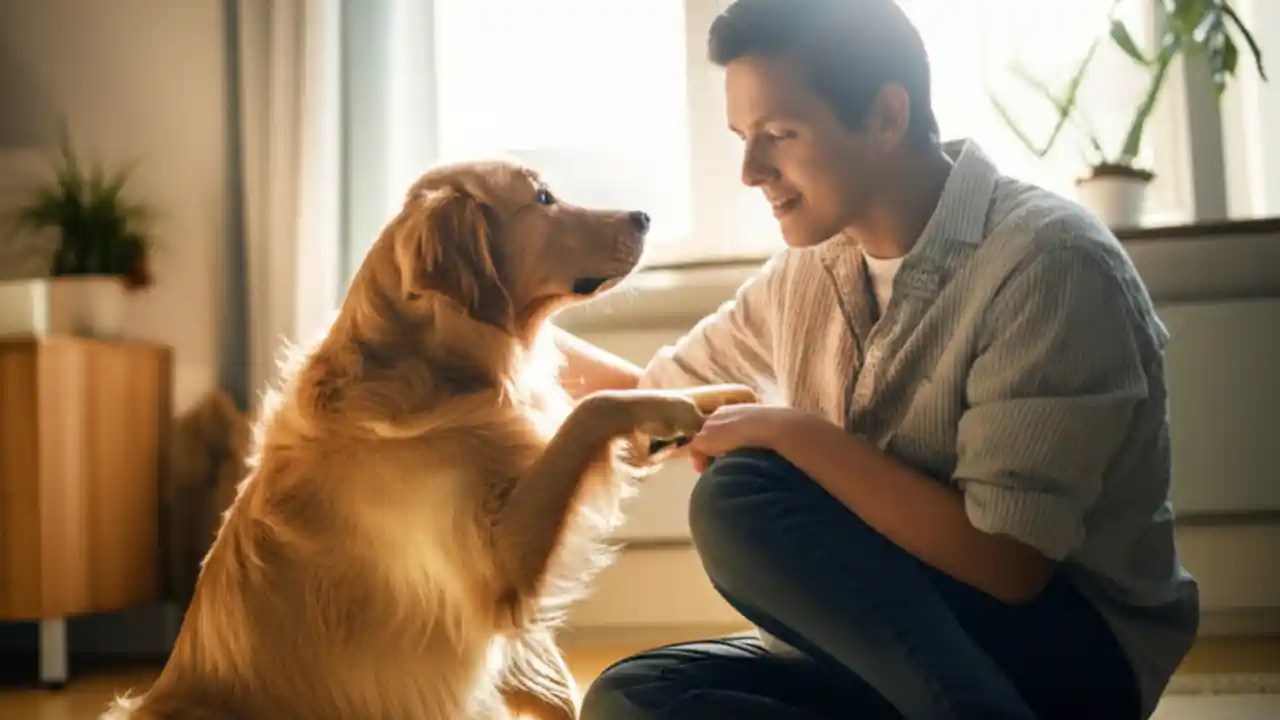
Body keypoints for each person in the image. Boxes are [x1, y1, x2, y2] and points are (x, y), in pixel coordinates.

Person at [554, 1, 1199, 717]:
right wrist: (483, 331)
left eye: (778, 134)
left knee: (739, 499)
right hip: (895, 658)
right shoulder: (809, 270)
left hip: (1062, 656)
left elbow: (1009, 565)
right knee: (633, 699)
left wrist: (794, 434)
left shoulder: (1051, 263)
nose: (748, 170)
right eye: (741, 137)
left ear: (887, 116)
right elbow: (650, 401)